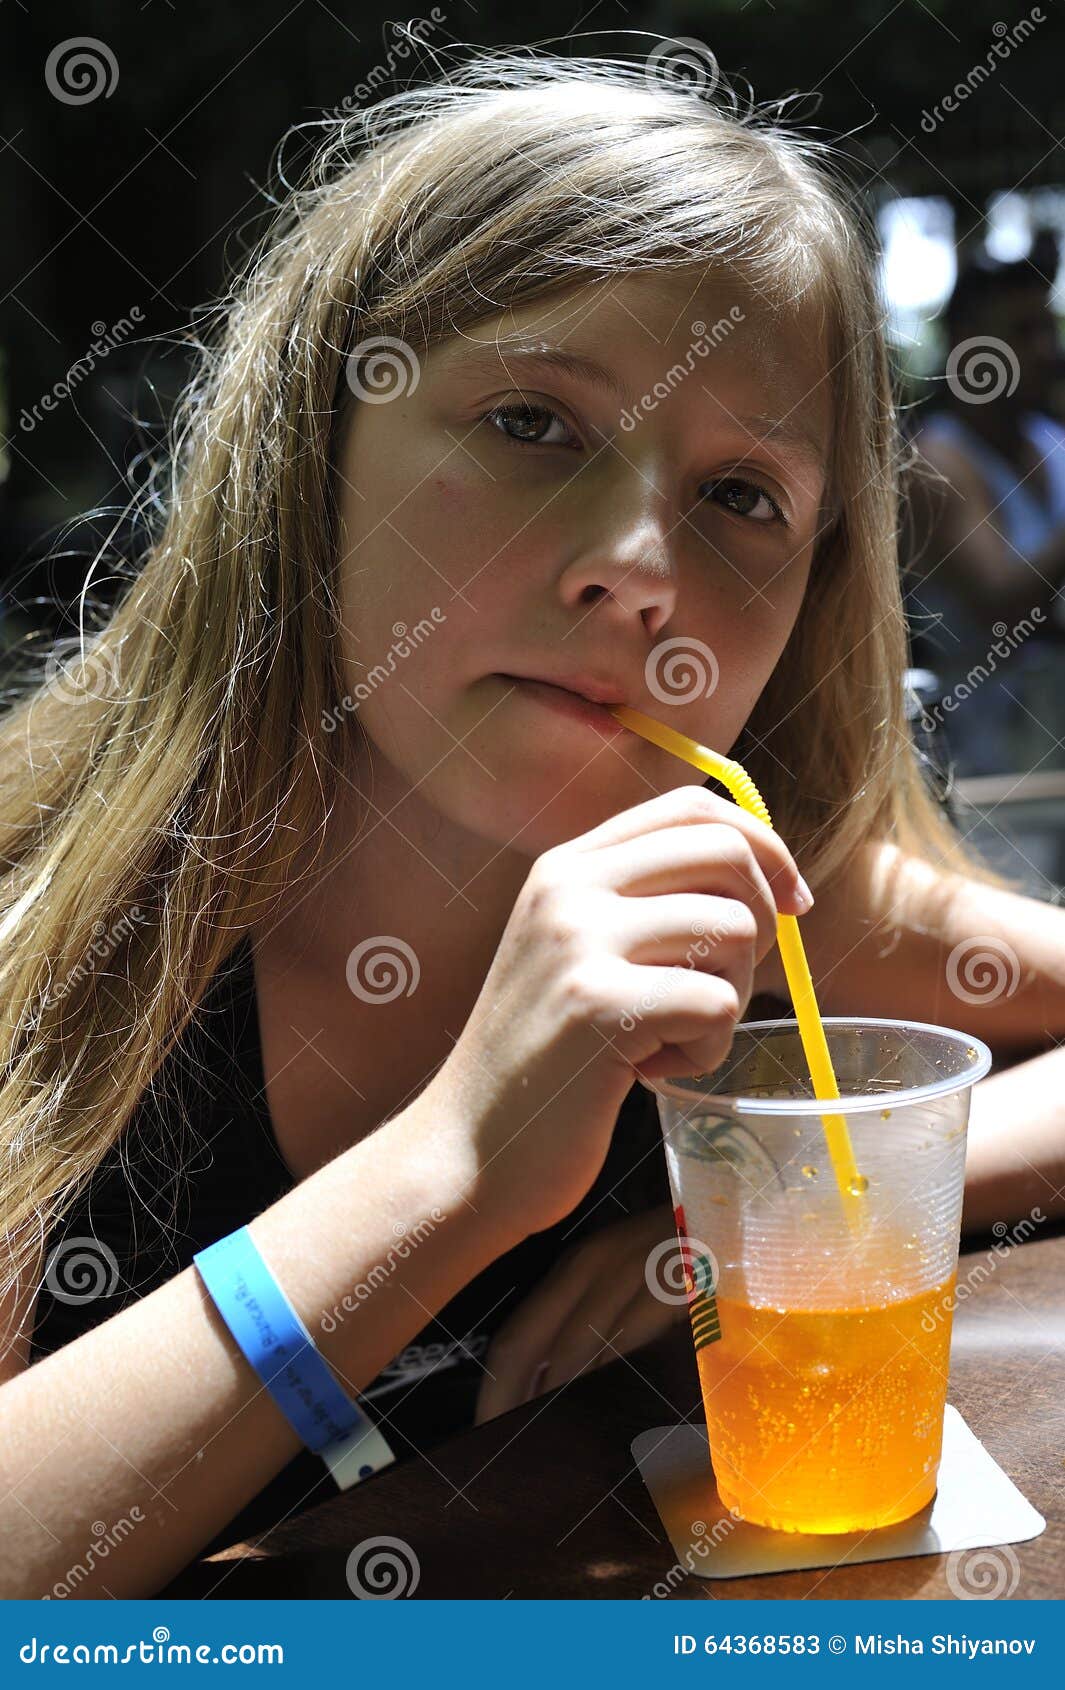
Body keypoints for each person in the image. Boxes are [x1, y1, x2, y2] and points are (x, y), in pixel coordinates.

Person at [1, 49, 1064, 1602]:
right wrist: (449, 1170)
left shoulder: (764, 911)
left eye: (742, 497)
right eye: (531, 419)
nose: (638, 566)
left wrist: (785, 1205)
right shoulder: (59, 946)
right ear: (314, 446)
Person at [910, 252, 1065, 774]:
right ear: (969, 346)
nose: (1046, 351)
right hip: (986, 770)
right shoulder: (938, 462)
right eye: (1023, 332)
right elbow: (999, 609)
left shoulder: (1053, 443)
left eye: (1047, 329)